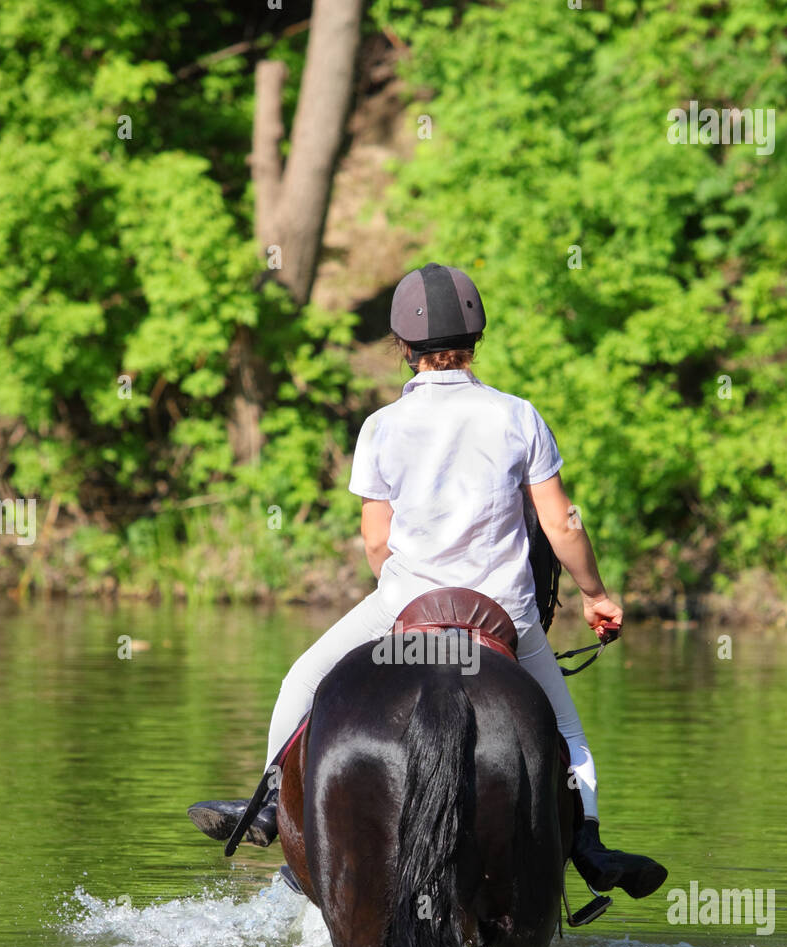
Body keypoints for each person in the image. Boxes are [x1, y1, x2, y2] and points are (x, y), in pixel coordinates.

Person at [246, 263, 666, 900]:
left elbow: (376, 541)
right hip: (505, 614)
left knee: (301, 682)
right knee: (569, 735)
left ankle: (271, 807)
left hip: (406, 608)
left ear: (402, 347)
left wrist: (399, 596)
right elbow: (562, 524)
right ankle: (588, 842)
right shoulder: (518, 416)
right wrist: (595, 594)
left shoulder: (382, 426)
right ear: (477, 339)